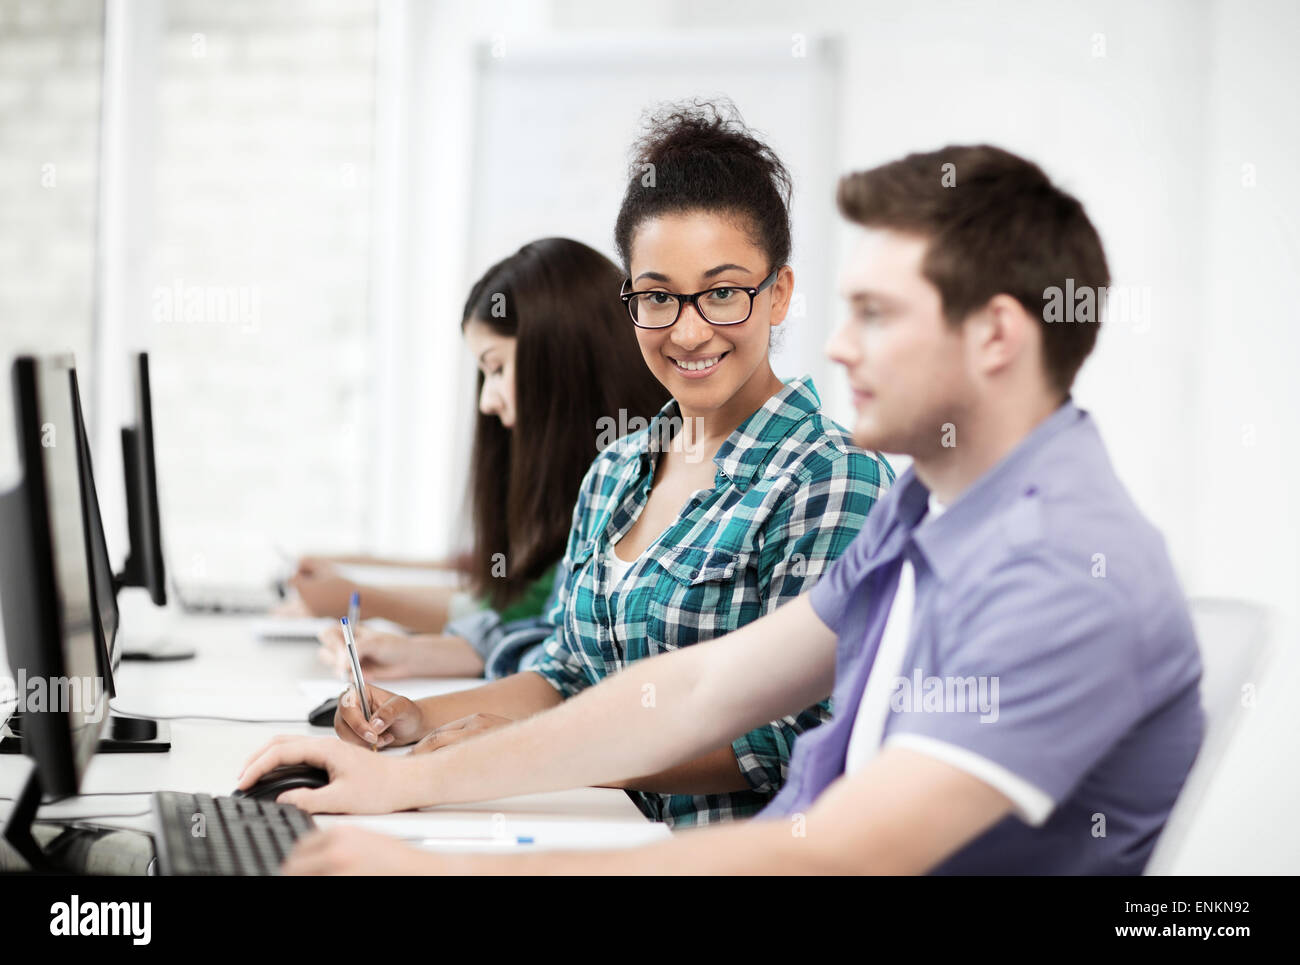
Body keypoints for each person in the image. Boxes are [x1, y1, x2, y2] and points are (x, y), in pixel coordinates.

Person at [241, 143, 1205, 875]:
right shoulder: (929, 506)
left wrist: (451, 870)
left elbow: (831, 852)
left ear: (996, 334)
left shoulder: (1059, 567)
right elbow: (700, 691)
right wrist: (402, 779)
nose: (835, 345)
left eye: (875, 313)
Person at [273, 101, 892, 827]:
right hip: (592, 826)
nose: (688, 329)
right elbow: (568, 675)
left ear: (778, 293)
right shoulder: (616, 469)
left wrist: (538, 754)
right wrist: (418, 717)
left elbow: (795, 740)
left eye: (722, 292)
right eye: (658, 296)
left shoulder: (830, 477)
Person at [315, 237, 669, 677]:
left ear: (561, 360)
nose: (487, 401)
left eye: (497, 368)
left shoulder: (646, 483)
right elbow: (538, 635)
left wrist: (363, 597)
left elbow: (530, 631)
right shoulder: (587, 483)